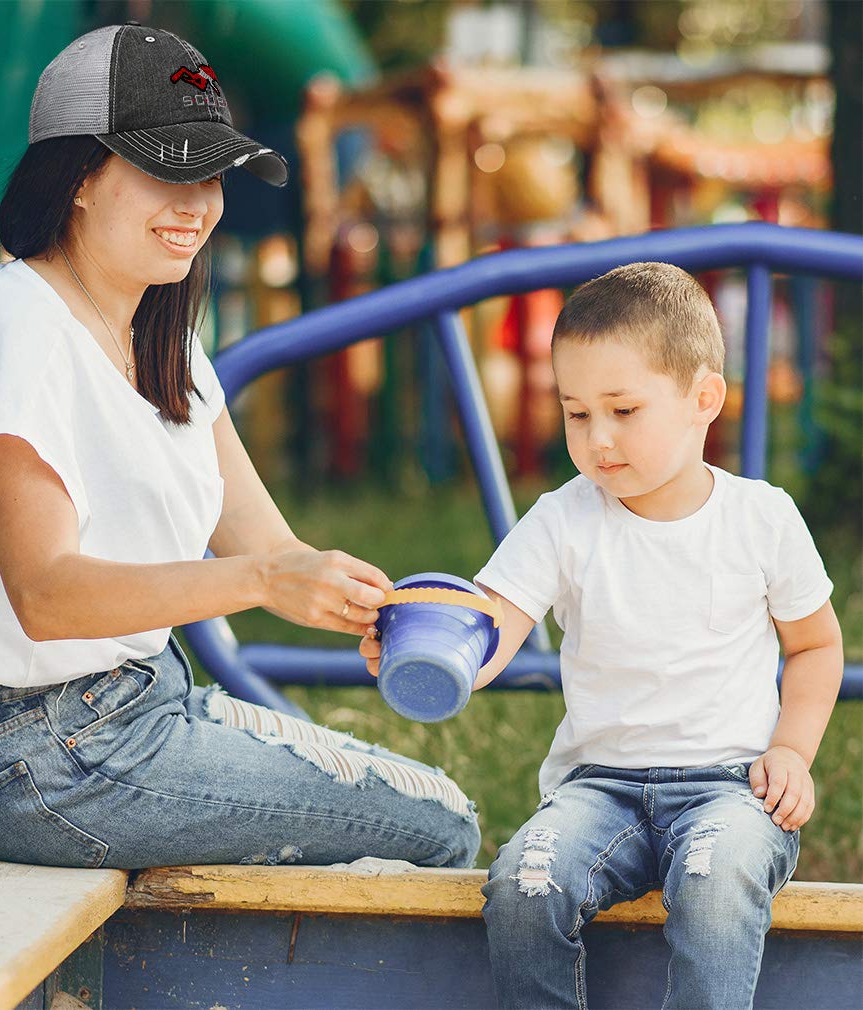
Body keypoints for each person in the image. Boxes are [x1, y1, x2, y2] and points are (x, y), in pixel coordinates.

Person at [0, 23, 480, 872]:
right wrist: (263, 583)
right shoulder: (16, 334)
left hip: (135, 709)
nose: (199, 204)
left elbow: (265, 544)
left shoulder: (161, 333)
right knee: (435, 832)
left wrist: (363, 605)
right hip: (34, 755)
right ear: (79, 176)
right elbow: (46, 595)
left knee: (441, 809)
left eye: (214, 173)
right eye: (169, 168)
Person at [360, 262, 843, 1008]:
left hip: (732, 790)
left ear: (702, 399)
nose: (598, 438)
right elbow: (493, 626)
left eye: (623, 410)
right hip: (600, 791)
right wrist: (432, 651)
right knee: (523, 885)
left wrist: (792, 751)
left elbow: (814, 646)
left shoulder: (762, 518)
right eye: (577, 413)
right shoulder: (563, 518)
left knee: (715, 889)